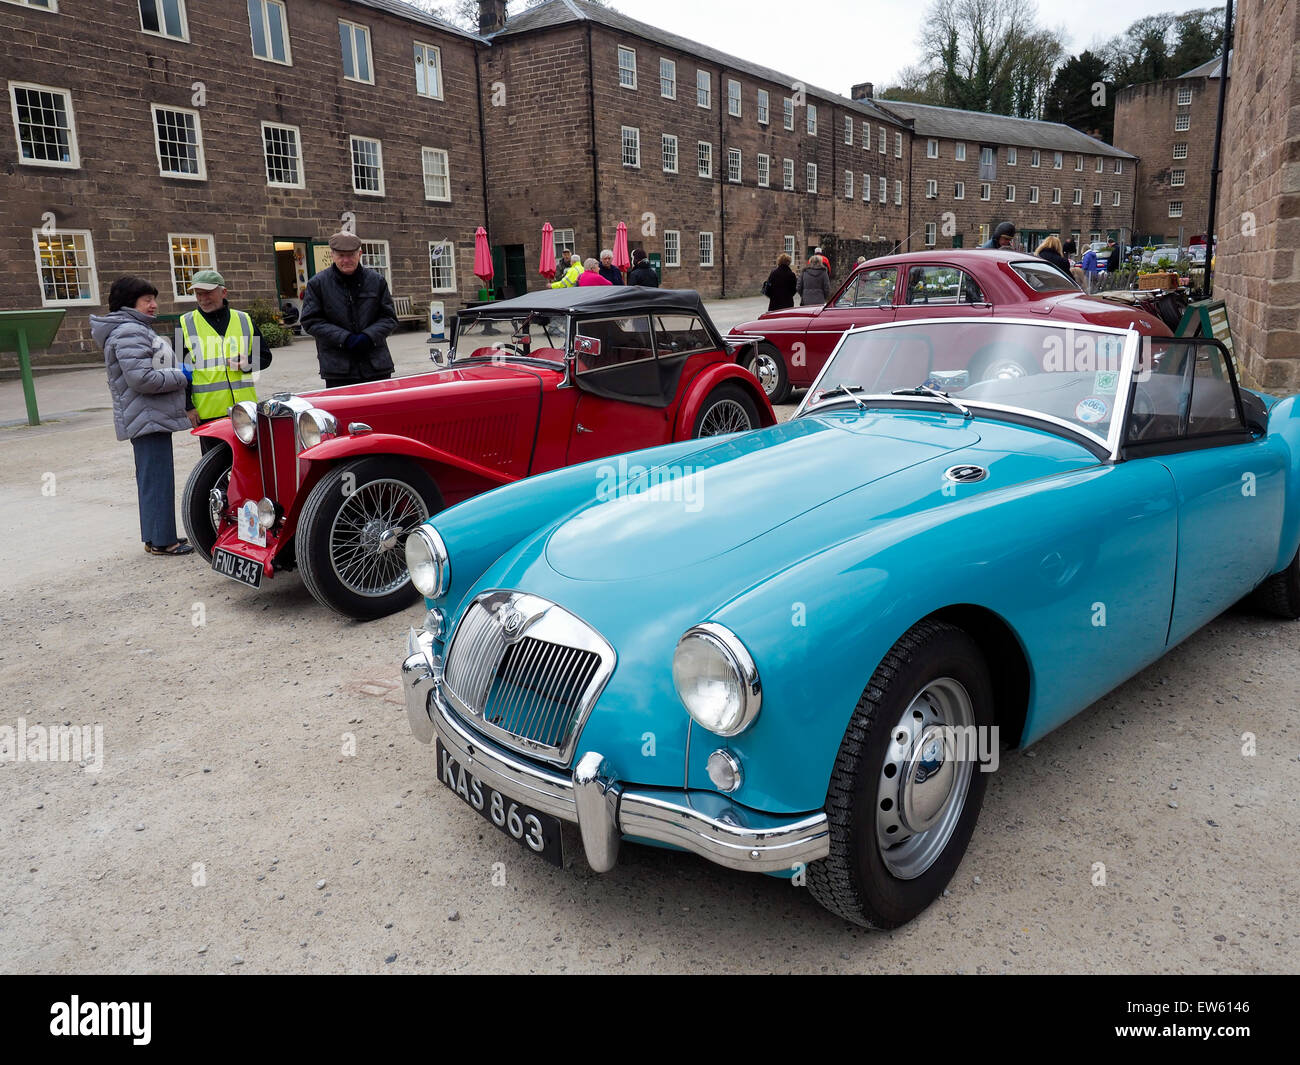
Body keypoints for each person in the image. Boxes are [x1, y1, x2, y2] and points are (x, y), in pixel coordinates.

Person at [90, 277, 194, 556]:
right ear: (129, 303)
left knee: (152, 478)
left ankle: (156, 536)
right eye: (146, 299)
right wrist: (180, 375)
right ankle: (164, 541)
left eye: (153, 298)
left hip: (148, 416)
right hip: (148, 417)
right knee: (158, 479)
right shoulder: (129, 332)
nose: (153, 305)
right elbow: (141, 378)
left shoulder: (132, 329)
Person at [179, 269, 270, 454]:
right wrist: (188, 406)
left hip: (245, 410)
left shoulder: (244, 319)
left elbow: (265, 356)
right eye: (199, 294)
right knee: (214, 469)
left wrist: (248, 363)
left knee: (249, 462)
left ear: (223, 292)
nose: (203, 298)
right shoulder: (185, 323)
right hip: (207, 413)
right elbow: (179, 370)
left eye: (208, 293)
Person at [300, 231, 399, 388]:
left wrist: (369, 336)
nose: (346, 260)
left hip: (376, 364)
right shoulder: (317, 284)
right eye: (341, 255)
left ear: (359, 254)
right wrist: (344, 338)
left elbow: (389, 318)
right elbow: (311, 321)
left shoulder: (376, 281)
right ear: (332, 255)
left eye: (351, 255)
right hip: (338, 368)